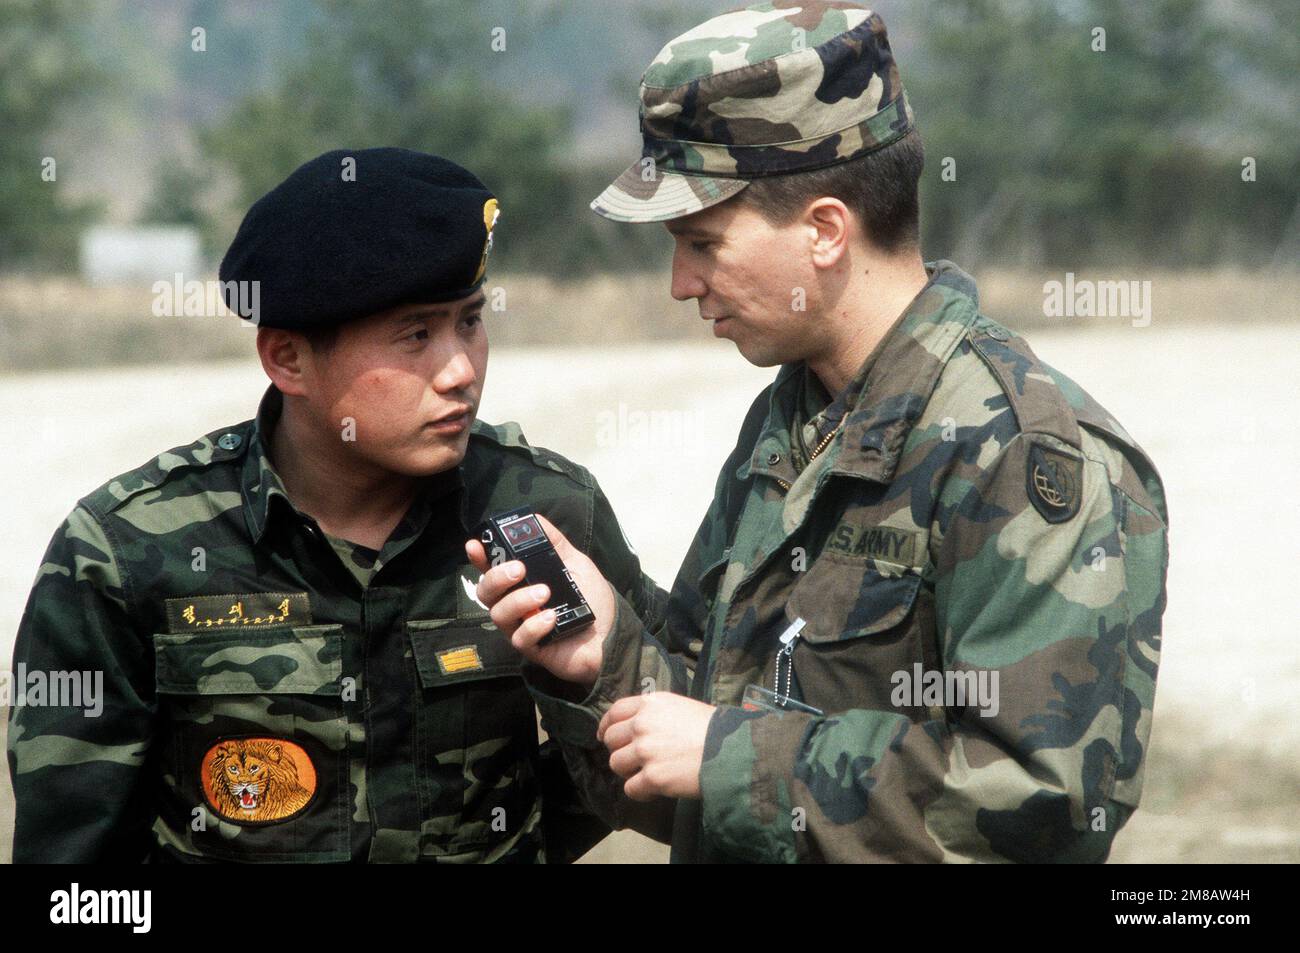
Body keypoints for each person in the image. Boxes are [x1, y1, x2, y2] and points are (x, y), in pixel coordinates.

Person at [469, 3, 1170, 862]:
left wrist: (733, 759)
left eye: (703, 242)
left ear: (826, 231)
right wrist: (601, 654)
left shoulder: (1019, 450)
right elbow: (694, 764)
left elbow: (1043, 800)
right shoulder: (790, 421)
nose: (682, 283)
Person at [7, 147, 661, 863]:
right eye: (416, 334)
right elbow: (71, 876)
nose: (460, 369)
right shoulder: (126, 551)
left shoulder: (541, 511)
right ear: (288, 358)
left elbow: (654, 743)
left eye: (470, 322)